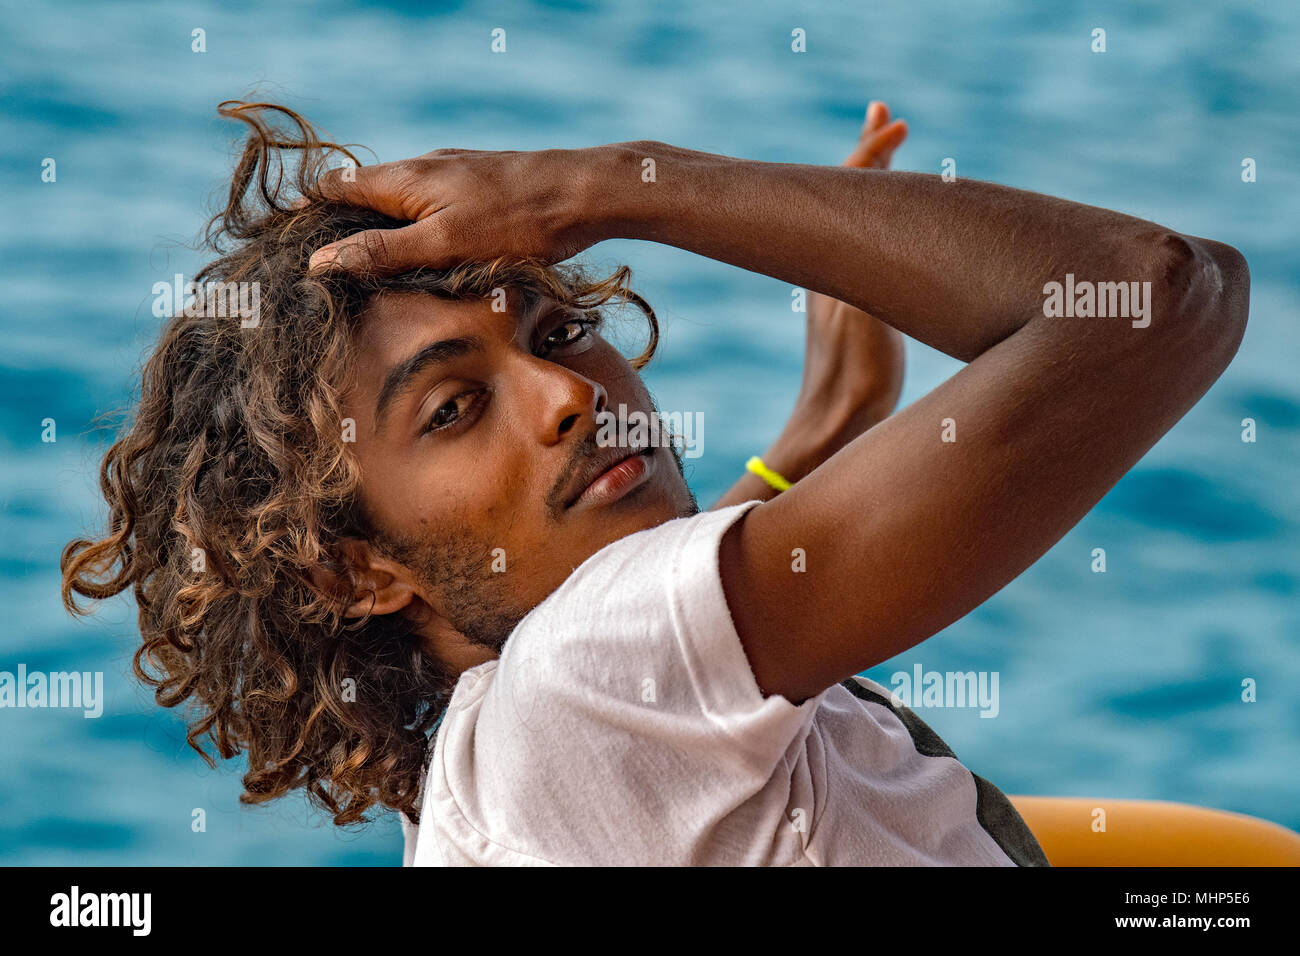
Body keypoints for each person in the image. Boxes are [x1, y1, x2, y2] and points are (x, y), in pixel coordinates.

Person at [62, 98, 1248, 866]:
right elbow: (1164, 294)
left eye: (555, 327)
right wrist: (616, 185)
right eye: (455, 407)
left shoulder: (499, 756)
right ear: (357, 564)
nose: (565, 393)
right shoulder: (586, 683)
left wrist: (826, 427)